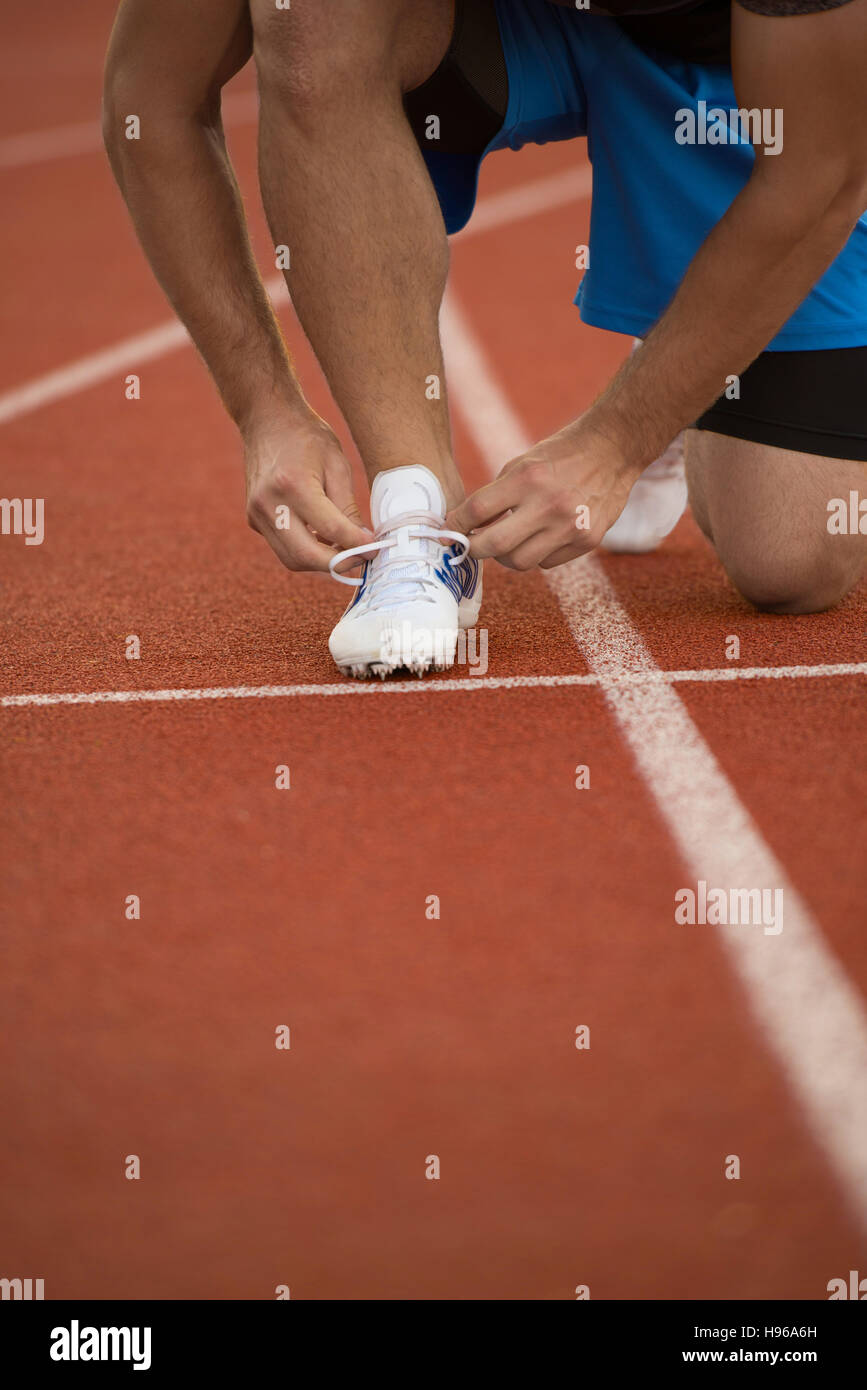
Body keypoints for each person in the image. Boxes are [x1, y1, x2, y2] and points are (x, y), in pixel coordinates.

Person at [103, 0, 867, 679]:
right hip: (505, 29)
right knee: (308, 14)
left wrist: (619, 439)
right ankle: (415, 519)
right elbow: (152, 98)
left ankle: (688, 358)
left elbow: (822, 168)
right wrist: (263, 408)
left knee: (791, 560)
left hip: (753, 70)